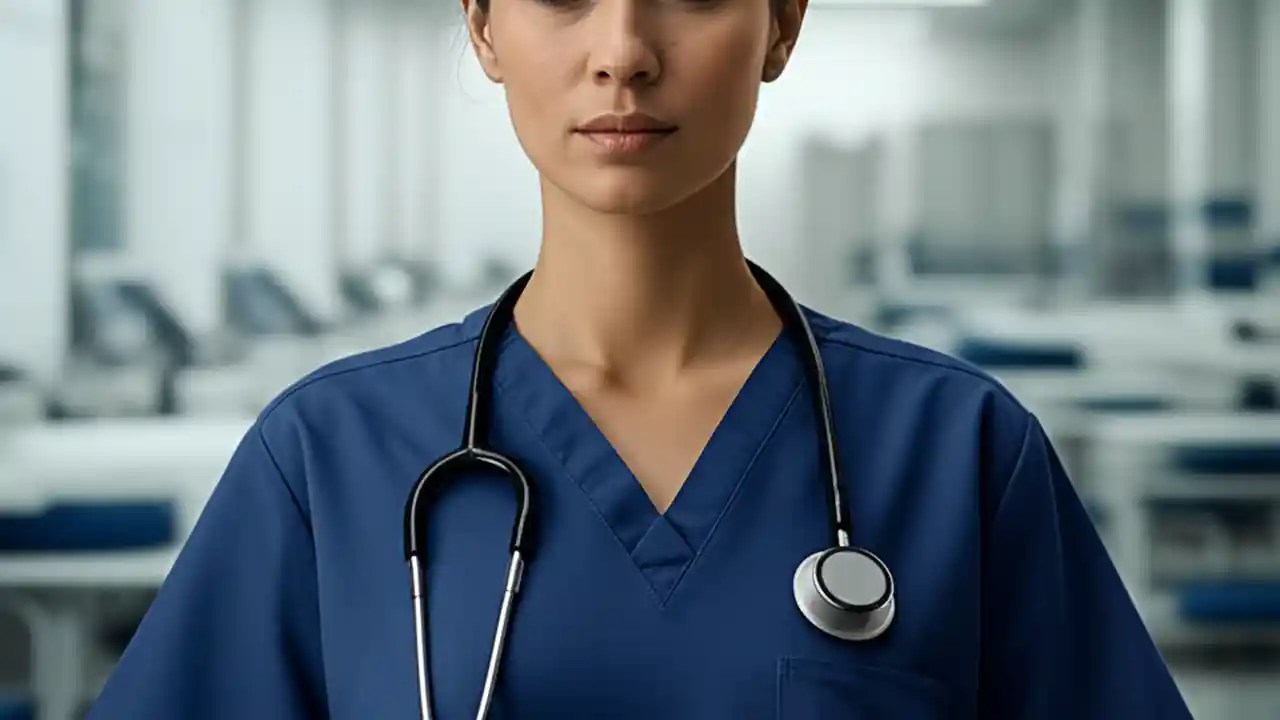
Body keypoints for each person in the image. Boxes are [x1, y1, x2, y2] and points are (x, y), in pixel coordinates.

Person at [89, 0, 1193, 717]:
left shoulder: (956, 451)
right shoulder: (329, 457)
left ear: (780, 26)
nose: (622, 51)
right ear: (481, 27)